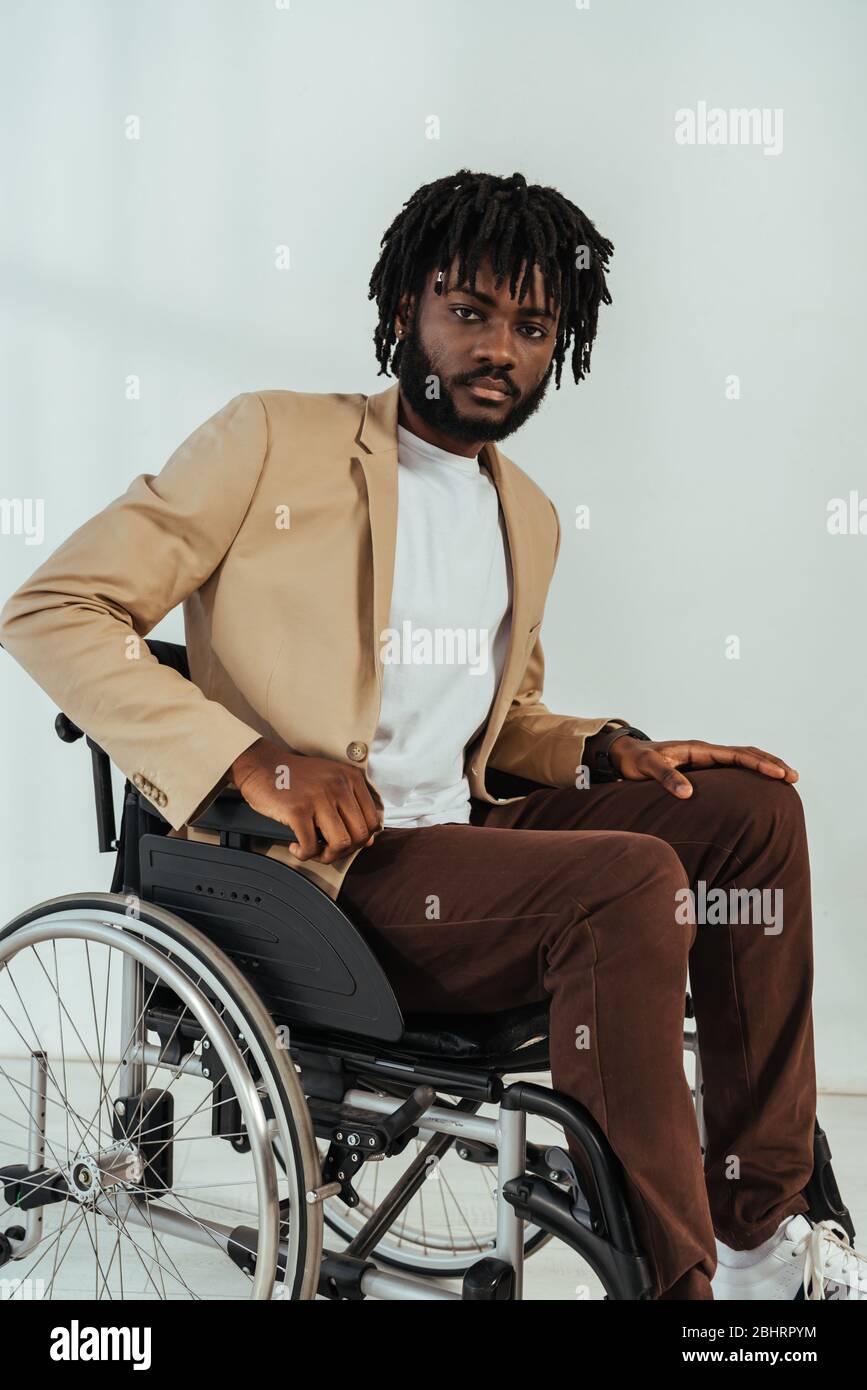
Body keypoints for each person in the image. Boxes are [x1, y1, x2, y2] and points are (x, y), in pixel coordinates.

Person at [1, 169, 862, 1300]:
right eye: (470, 312)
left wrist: (600, 748)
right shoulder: (272, 440)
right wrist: (249, 759)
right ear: (407, 305)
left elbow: (500, 728)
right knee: (628, 881)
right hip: (314, 880)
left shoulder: (529, 513)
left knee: (751, 815)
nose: (499, 348)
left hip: (463, 846)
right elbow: (54, 607)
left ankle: (760, 1238)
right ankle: (672, 1287)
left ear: (562, 346)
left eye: (533, 326)